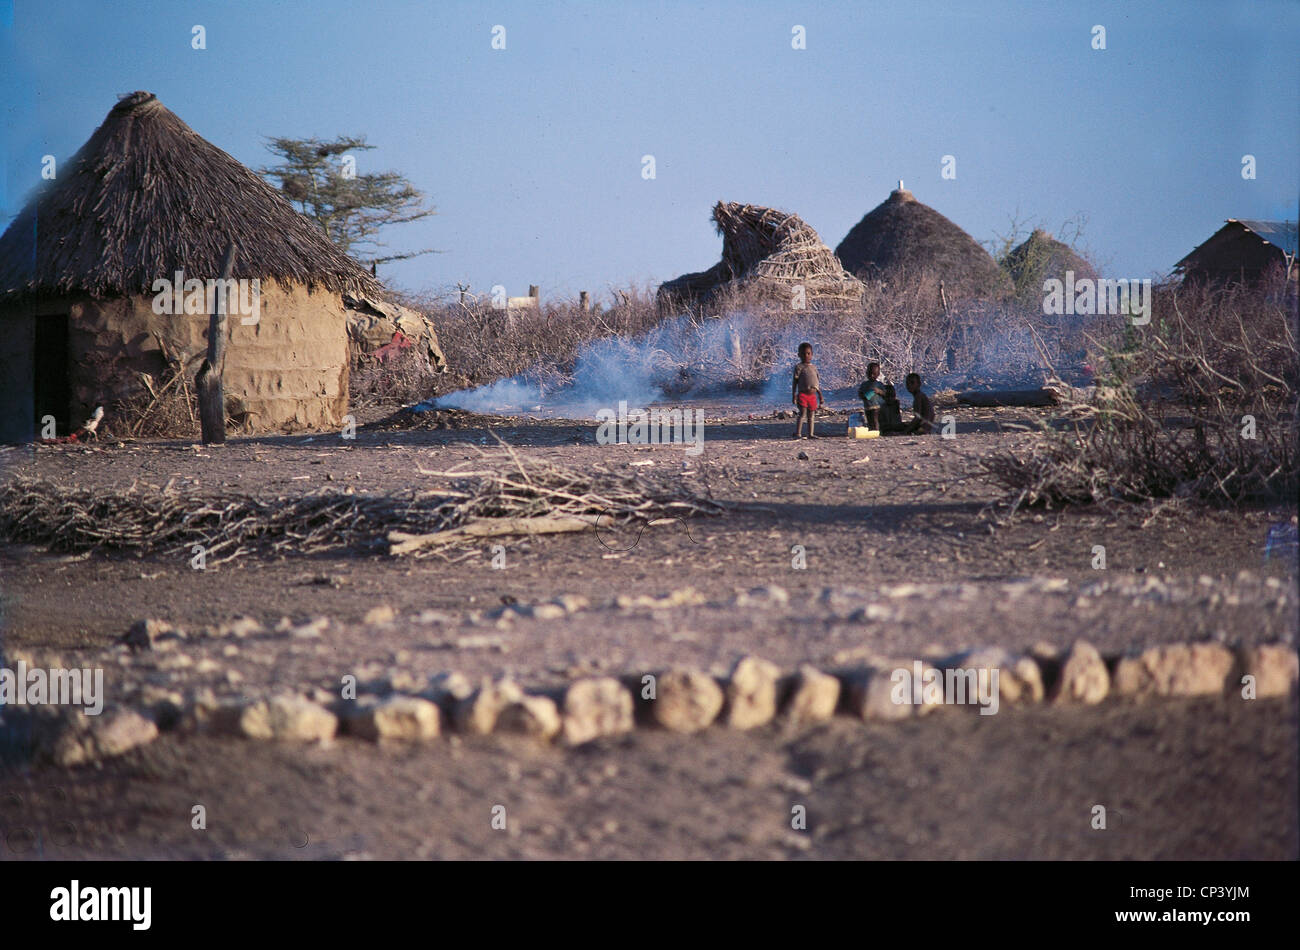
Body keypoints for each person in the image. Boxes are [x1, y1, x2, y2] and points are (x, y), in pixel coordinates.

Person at [791, 341, 823, 439]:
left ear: (812, 355)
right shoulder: (799, 367)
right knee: (802, 414)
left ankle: (810, 434)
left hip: (812, 396)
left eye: (808, 353)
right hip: (803, 395)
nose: (806, 355)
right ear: (799, 355)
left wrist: (820, 396)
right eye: (803, 353)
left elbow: (816, 384)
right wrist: (794, 395)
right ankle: (798, 434)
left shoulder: (814, 368)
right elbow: (795, 382)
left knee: (811, 415)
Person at [857, 362, 887, 431]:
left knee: (875, 420)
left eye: (874, 374)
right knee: (869, 420)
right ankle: (871, 430)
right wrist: (862, 396)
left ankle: (877, 431)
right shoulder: (864, 384)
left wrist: (879, 391)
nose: (872, 375)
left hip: (877, 407)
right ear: (866, 373)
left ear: (878, 374)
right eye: (870, 373)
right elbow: (860, 392)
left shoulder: (879, 384)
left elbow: (885, 394)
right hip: (867, 407)